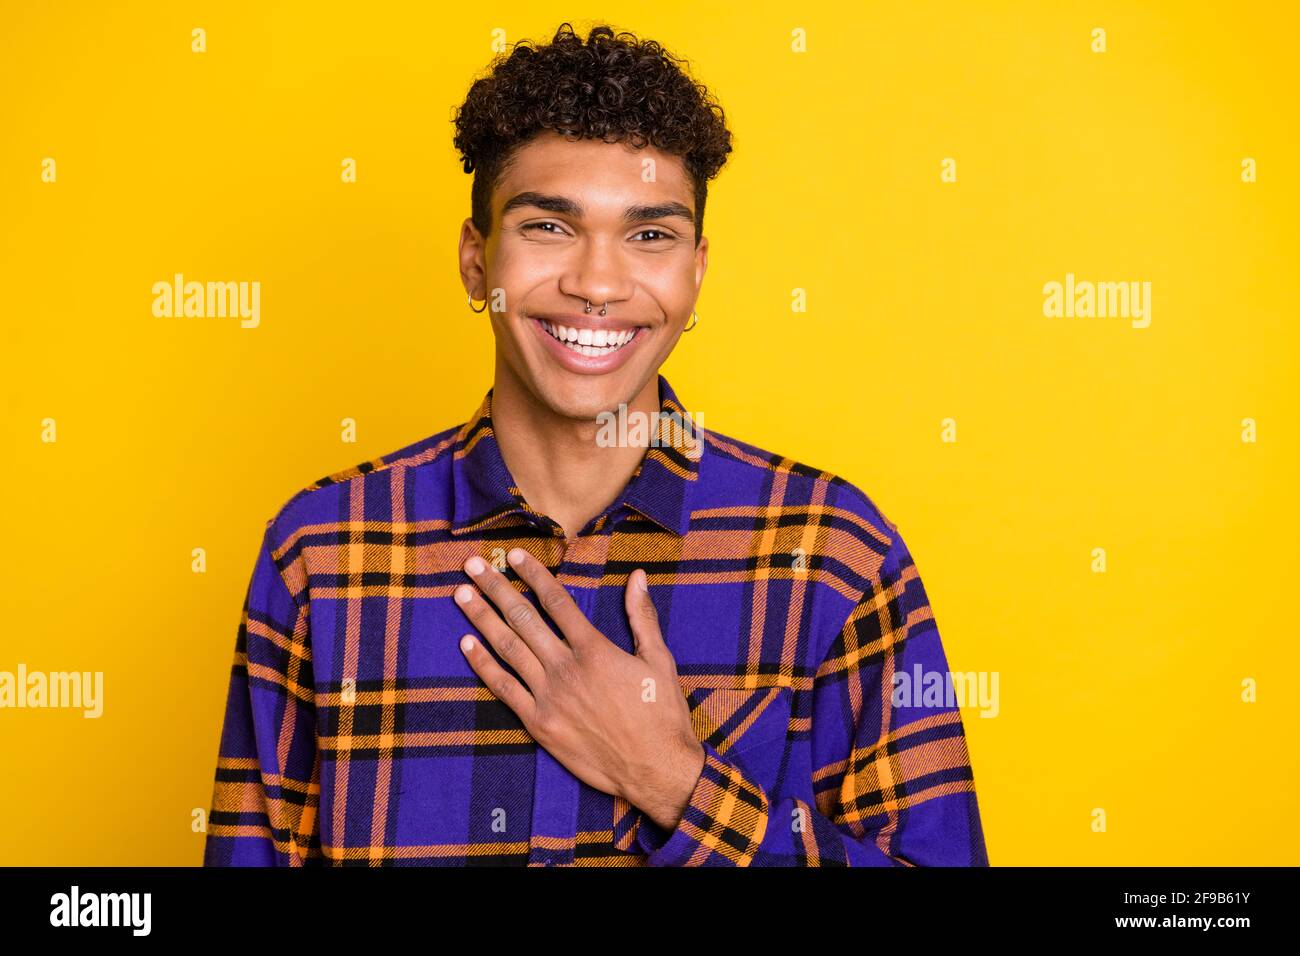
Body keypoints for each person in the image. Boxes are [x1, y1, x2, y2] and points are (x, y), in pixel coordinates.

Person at [203, 21, 989, 866]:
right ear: (476, 262)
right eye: (548, 227)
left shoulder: (834, 554)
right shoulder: (323, 553)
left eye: (650, 235)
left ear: (696, 271)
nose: (597, 283)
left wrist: (676, 784)